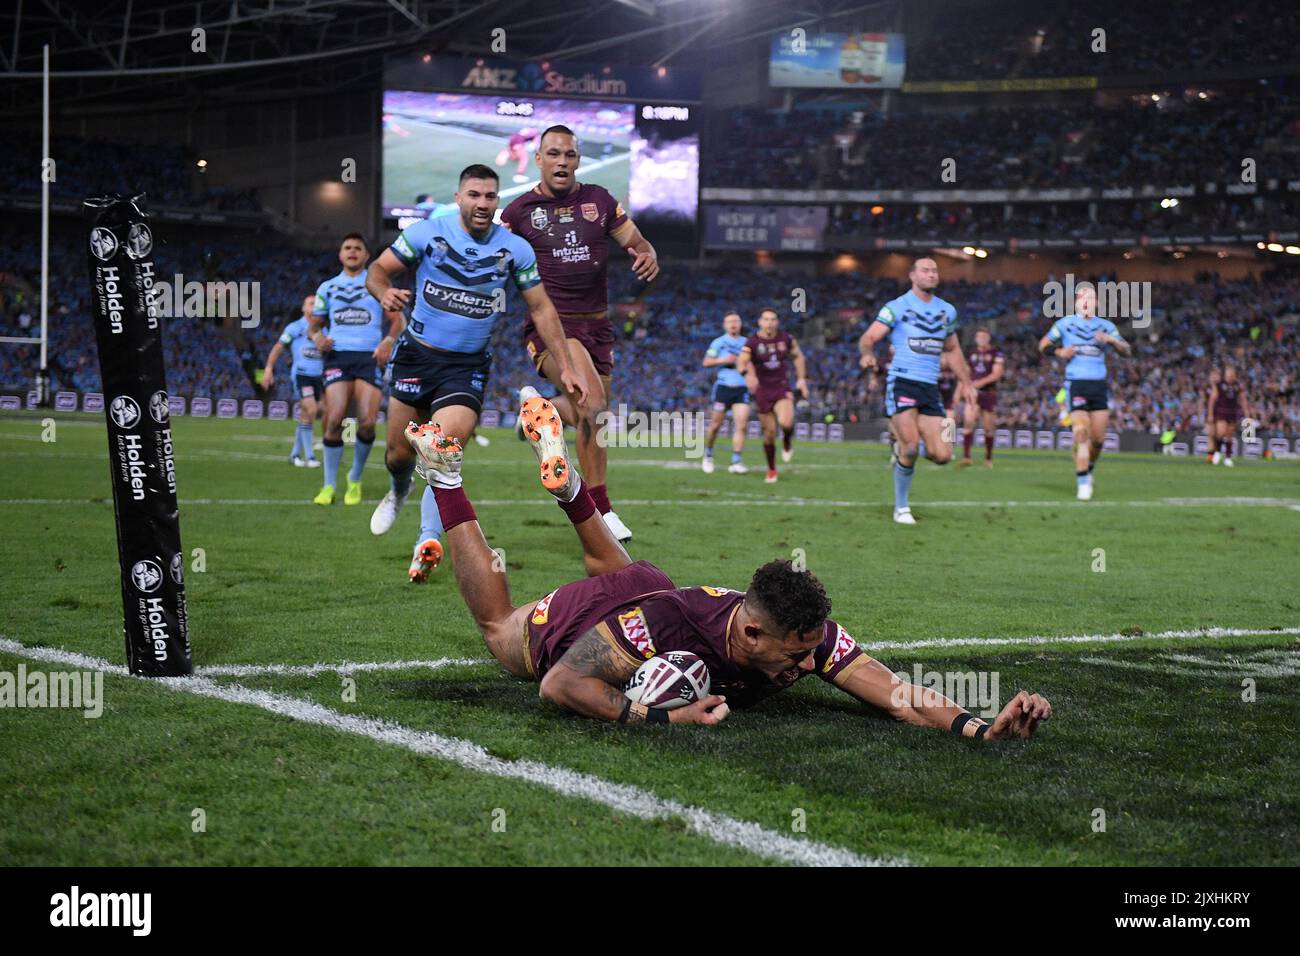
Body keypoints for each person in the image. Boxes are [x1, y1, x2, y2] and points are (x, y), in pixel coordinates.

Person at [401, 392, 1052, 737]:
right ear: (748, 634)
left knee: (629, 571)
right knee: (501, 631)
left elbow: (898, 697)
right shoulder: (654, 632)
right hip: (621, 614)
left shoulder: (803, 632)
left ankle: (573, 491)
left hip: (657, 587)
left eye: (809, 654)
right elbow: (562, 688)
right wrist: (659, 716)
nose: (805, 668)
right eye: (795, 657)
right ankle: (447, 476)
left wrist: (977, 727)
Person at [365, 164, 584, 582]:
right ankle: (398, 489)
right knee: (398, 453)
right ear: (459, 197)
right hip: (415, 357)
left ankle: (426, 541)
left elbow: (540, 308)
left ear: (497, 200)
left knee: (442, 451)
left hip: (465, 369)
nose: (482, 204)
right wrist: (384, 292)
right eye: (474, 195)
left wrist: (567, 367)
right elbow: (378, 270)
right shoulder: (427, 232)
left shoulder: (515, 249)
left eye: (490, 196)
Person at [500, 124, 659, 542]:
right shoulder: (517, 213)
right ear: (539, 159)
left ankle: (542, 413)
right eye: (553, 154)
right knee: (593, 408)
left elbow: (638, 242)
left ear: (578, 159)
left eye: (569, 154)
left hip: (598, 327)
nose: (562, 162)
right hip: (552, 325)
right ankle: (602, 511)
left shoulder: (600, 201)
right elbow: (493, 259)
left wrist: (646, 253)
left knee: (592, 413)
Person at [859, 257, 976, 523]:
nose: (932, 274)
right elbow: (868, 337)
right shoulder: (897, 307)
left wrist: (966, 382)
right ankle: (901, 507)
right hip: (902, 381)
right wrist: (867, 354)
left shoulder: (947, 311)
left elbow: (953, 349)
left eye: (935, 270)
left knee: (943, 455)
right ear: (912, 275)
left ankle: (900, 451)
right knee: (910, 446)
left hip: (930, 388)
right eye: (925, 270)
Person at [308, 233, 405, 506]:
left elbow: (398, 321)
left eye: (357, 248)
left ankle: (355, 477)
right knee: (335, 419)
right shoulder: (327, 287)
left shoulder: (376, 285)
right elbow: (313, 326)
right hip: (338, 356)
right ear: (341, 254)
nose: (352, 251)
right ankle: (328, 485)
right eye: (347, 247)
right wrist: (319, 339)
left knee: (366, 422)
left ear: (366, 256)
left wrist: (387, 342)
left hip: (368, 357)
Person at [1037, 283, 1131, 500]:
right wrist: (1060, 351)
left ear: (1097, 303)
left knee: (1098, 441)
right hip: (1076, 384)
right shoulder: (1065, 324)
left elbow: (1127, 350)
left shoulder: (1106, 327)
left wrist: (1111, 341)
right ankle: (1082, 484)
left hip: (1098, 386)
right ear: (1076, 303)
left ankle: (1088, 469)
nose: (1087, 301)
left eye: (1091, 298)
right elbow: (1042, 345)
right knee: (1081, 433)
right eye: (1082, 298)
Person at [735, 309, 808, 484]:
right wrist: (747, 375)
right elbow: (741, 361)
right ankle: (772, 469)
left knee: (786, 422)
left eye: (773, 319)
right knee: (769, 433)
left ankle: (787, 441)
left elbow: (798, 357)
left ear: (777, 322)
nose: (769, 323)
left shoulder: (786, 338)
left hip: (781, 387)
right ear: (760, 322)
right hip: (762, 391)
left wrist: (801, 380)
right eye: (766, 319)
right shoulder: (752, 342)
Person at [261, 294, 322, 467]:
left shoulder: (323, 329)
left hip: (319, 377)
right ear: (303, 308)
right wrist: (268, 369)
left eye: (316, 304)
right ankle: (310, 457)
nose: (314, 306)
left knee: (306, 415)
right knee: (310, 409)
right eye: (310, 303)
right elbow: (279, 347)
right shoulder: (295, 327)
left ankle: (295, 455)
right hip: (302, 374)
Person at [701, 311, 751, 474]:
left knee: (742, 425)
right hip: (723, 388)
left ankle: (736, 461)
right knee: (716, 425)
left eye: (736, 321)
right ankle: (708, 454)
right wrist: (723, 360)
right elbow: (707, 362)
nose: (733, 324)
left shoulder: (748, 343)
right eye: (730, 321)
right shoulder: (719, 343)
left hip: (742, 388)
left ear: (740, 324)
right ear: (725, 325)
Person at [960, 327, 1005, 468]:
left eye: (984, 336)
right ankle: (966, 457)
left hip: (988, 392)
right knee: (968, 421)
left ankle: (988, 458)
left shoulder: (996, 353)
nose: (981, 339)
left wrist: (979, 383)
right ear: (976, 338)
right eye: (979, 336)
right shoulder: (971, 353)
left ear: (988, 338)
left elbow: (997, 374)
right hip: (973, 393)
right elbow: (965, 371)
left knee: (988, 427)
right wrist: (965, 386)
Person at [1208, 366, 1249, 467]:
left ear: (1234, 375)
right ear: (1225, 375)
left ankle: (1228, 457)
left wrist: (1246, 413)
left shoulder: (1238, 386)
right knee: (1220, 433)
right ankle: (1217, 452)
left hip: (1232, 412)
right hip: (1221, 412)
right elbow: (1212, 400)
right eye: (1228, 374)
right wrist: (1210, 414)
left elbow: (1242, 399)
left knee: (1229, 435)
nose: (1230, 376)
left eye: (1231, 374)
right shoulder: (1219, 385)